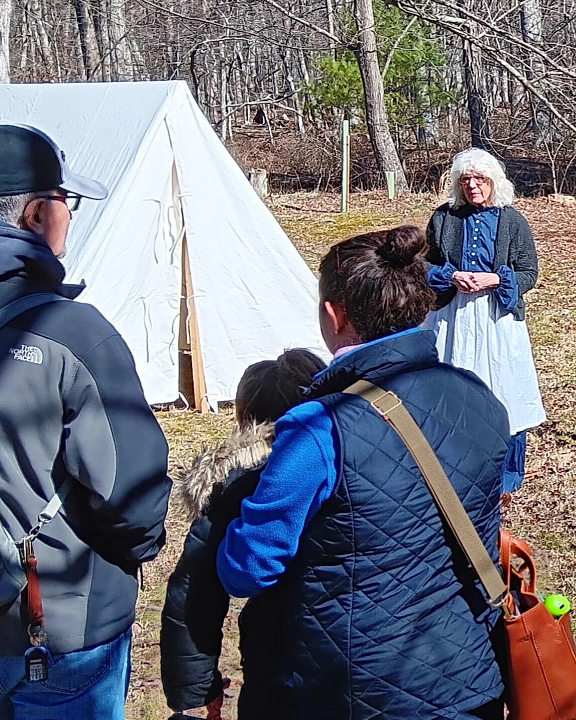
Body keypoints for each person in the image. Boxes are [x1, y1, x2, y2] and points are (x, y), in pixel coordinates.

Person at [0, 125, 171, 719]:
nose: (70, 215)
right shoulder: (76, 334)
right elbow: (137, 504)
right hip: (64, 633)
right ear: (37, 214)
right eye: (67, 202)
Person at [218, 227, 508, 719]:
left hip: (363, 692)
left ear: (335, 315)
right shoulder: (480, 398)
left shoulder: (317, 427)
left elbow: (247, 569)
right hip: (473, 674)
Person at [161, 348, 328, 718]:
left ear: (243, 416)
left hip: (277, 656)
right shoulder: (348, 454)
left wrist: (194, 690)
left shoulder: (235, 482)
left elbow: (192, 596)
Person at [424, 148, 545, 495]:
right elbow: (423, 265)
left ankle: (507, 476)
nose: (473, 186)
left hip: (497, 317)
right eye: (466, 180)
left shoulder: (512, 220)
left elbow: (529, 271)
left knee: (505, 390)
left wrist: (495, 280)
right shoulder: (444, 218)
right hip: (452, 315)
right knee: (452, 388)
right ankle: (452, 470)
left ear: (494, 182)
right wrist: (451, 276)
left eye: (480, 180)